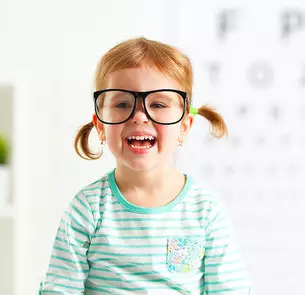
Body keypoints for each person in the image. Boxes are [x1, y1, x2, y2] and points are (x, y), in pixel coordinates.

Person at [38, 37, 253, 294]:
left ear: (184, 126)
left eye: (158, 104)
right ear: (100, 126)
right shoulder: (87, 209)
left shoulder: (205, 211)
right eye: (122, 104)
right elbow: (59, 290)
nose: (140, 116)